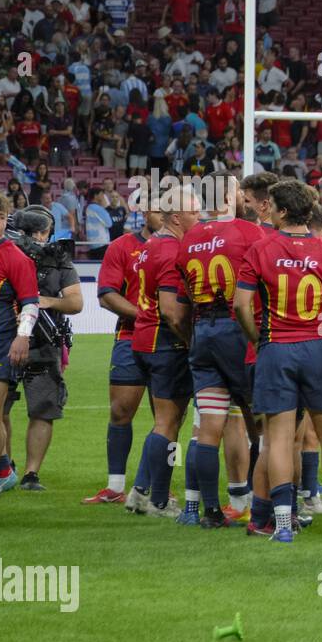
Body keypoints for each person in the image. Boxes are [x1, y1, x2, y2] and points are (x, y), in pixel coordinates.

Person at [233, 180, 322, 544]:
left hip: (277, 347)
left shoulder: (261, 249)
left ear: (280, 210)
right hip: (316, 347)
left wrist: (256, 339)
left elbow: (240, 305)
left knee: (277, 440)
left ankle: (280, 525)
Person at [168, 179, 265, 528]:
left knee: (207, 428)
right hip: (238, 331)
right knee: (263, 425)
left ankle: (207, 511)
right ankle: (262, 505)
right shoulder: (249, 232)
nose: (243, 199)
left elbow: (178, 309)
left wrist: (193, 338)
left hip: (202, 331)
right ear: (228, 197)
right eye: (239, 193)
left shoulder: (189, 239)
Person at [84, 201, 165, 504]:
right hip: (130, 337)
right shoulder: (122, 246)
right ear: (145, 213)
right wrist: (145, 317)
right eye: (158, 210)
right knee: (120, 412)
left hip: (170, 342)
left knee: (167, 418)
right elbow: (106, 294)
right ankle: (115, 487)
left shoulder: (182, 247)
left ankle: (160, 485)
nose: (164, 216)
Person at [126, 187, 200, 519]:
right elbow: (171, 310)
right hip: (165, 343)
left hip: (144, 339)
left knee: (164, 422)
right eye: (193, 213)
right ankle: (156, 499)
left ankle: (140, 491)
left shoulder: (149, 246)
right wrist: (191, 340)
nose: (198, 219)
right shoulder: (171, 251)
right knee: (168, 423)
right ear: (175, 217)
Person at [0, 206, 82, 493]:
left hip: (44, 342)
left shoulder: (58, 257)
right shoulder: (3, 252)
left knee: (43, 409)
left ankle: (31, 473)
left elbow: (75, 303)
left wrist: (45, 301)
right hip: (4, 340)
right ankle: (4, 466)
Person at [0, 193, 39, 503]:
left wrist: (22, 336)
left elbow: (30, 302)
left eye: (0, 218)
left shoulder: (13, 255)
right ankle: (3, 470)